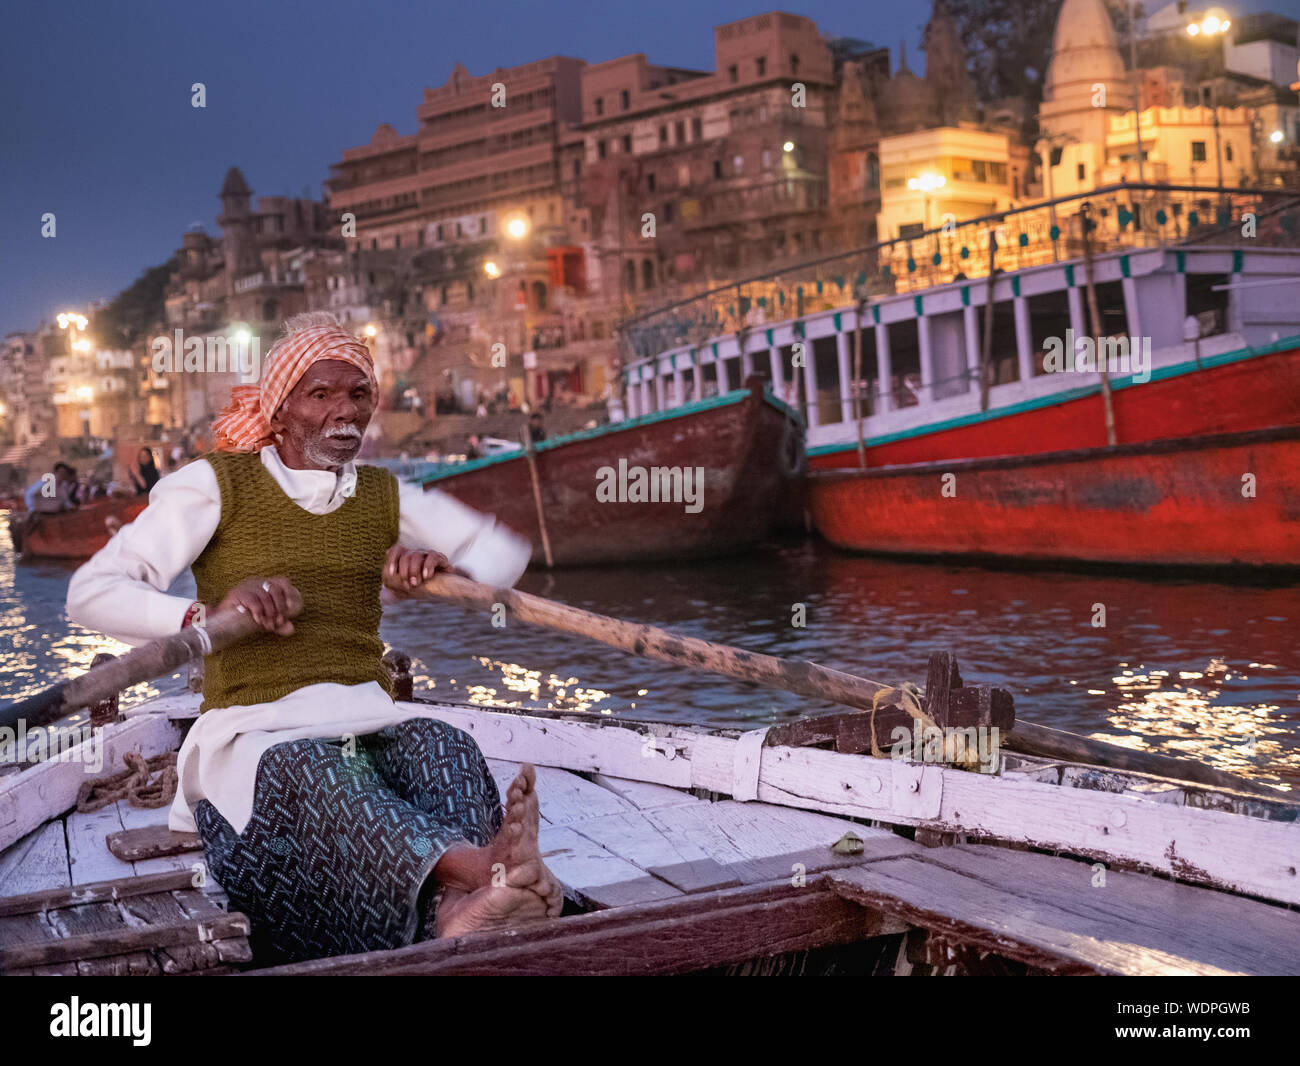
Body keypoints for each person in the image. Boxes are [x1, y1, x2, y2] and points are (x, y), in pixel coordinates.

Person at [67, 312, 560, 964]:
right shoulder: (215, 486)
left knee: (447, 744)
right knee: (321, 769)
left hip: (366, 715)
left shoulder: (382, 494)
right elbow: (90, 592)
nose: (343, 412)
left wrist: (436, 567)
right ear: (278, 411)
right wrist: (199, 617)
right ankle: (477, 869)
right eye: (320, 394)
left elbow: (504, 557)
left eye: (358, 395)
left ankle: (459, 912)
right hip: (249, 741)